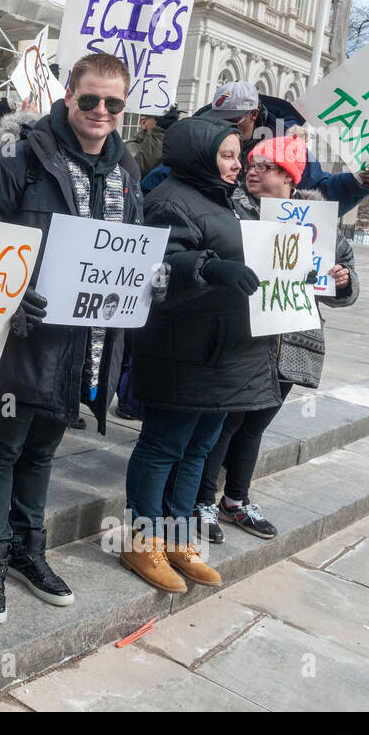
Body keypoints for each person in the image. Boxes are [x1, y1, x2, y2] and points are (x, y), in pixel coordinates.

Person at [0, 52, 144, 623]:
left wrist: (141, 287)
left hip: (86, 345)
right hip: (21, 341)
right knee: (1, 447)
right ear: (69, 96)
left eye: (114, 102)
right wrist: (10, 295)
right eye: (90, 99)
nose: (101, 111)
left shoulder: (127, 173)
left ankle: (26, 549)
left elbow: (133, 254)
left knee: (42, 449)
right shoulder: (18, 165)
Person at [120, 117, 282, 594]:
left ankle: (177, 538)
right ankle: (141, 540)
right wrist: (210, 268)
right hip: (183, 351)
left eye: (239, 155)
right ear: (199, 153)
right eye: (228, 155)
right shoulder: (170, 199)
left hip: (231, 352)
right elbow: (158, 268)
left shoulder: (226, 198)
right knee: (163, 446)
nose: (238, 164)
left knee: (199, 449)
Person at [193, 135, 359, 543]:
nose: (251, 170)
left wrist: (342, 280)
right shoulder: (232, 212)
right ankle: (202, 502)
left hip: (292, 343)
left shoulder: (320, 224)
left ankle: (236, 499)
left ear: (289, 176)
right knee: (226, 423)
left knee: (254, 426)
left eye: (263, 166)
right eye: (250, 164)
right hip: (245, 338)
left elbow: (347, 289)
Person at [142, 82, 369, 211]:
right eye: (217, 118)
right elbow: (159, 183)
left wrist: (357, 183)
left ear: (253, 114)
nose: (223, 126)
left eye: (232, 119)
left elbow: (319, 192)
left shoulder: (287, 146)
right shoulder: (199, 144)